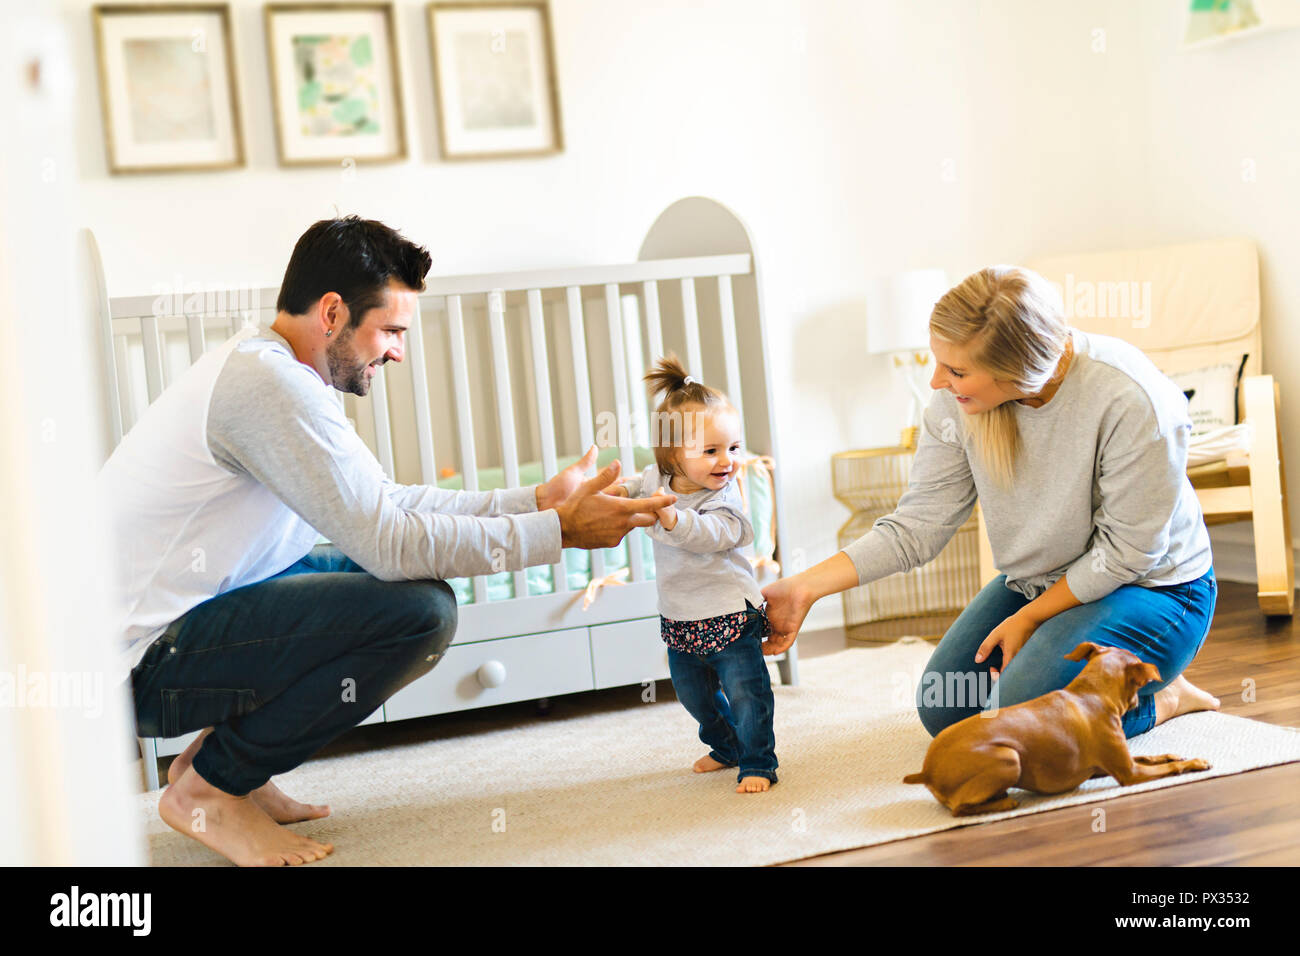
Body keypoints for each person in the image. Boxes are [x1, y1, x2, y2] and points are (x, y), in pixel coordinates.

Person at [98, 216, 675, 866]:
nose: (399, 351)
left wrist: (535, 502)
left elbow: (390, 503)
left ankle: (234, 768)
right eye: (392, 331)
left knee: (380, 575)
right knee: (419, 613)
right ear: (334, 312)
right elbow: (391, 543)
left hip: (181, 625)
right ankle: (211, 787)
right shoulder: (271, 389)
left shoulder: (280, 371)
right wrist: (560, 532)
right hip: (137, 665)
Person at [762, 266, 1220, 739]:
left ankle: (1162, 698)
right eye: (938, 362)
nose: (938, 381)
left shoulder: (1132, 399)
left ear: (1020, 372)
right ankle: (1110, 689)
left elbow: (1127, 553)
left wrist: (1030, 618)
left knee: (1016, 725)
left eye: (957, 370)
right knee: (947, 712)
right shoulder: (958, 402)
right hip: (1040, 581)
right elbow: (918, 525)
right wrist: (804, 587)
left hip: (1155, 589)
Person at [612, 356, 777, 793]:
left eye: (734, 448)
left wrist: (671, 521)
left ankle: (758, 761)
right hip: (680, 617)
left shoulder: (725, 498)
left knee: (747, 695)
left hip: (730, 615)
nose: (727, 460)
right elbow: (637, 485)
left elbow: (713, 535)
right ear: (672, 458)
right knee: (694, 696)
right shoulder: (658, 480)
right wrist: (619, 493)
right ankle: (726, 747)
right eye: (711, 451)